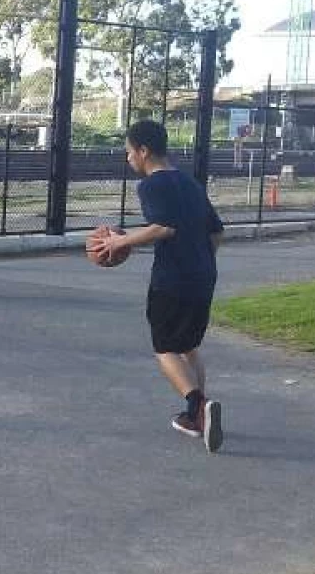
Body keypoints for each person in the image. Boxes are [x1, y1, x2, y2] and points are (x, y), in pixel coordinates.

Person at [90, 119, 225, 452]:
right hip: (204, 276)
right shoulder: (191, 183)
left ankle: (197, 405)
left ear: (143, 150)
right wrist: (200, 260)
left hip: (173, 279)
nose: (128, 159)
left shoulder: (151, 185)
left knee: (164, 348)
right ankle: (199, 416)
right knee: (189, 345)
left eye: (128, 152)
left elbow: (163, 227)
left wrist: (119, 242)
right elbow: (217, 233)